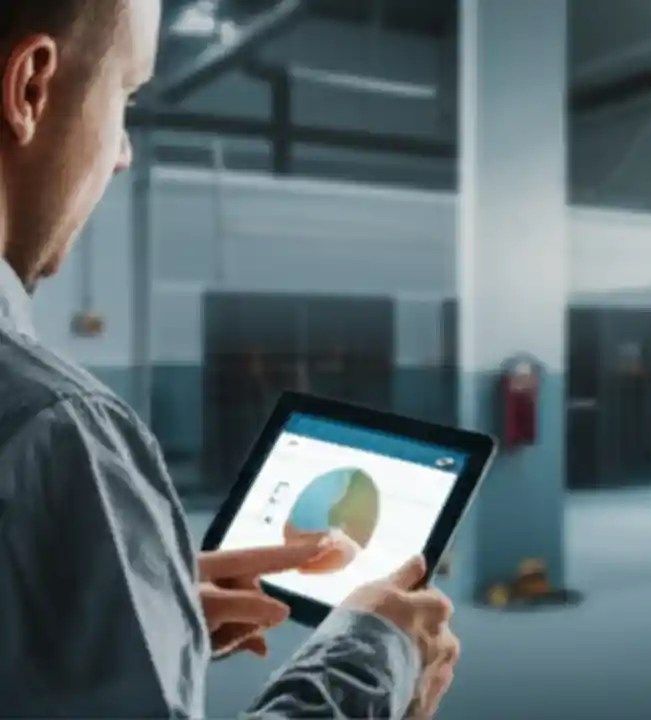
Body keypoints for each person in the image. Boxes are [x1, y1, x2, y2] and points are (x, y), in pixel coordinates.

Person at [0, 0, 460, 716]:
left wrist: (144, 615)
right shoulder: (58, 430)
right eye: (124, 94)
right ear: (30, 87)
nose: (123, 153)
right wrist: (373, 656)